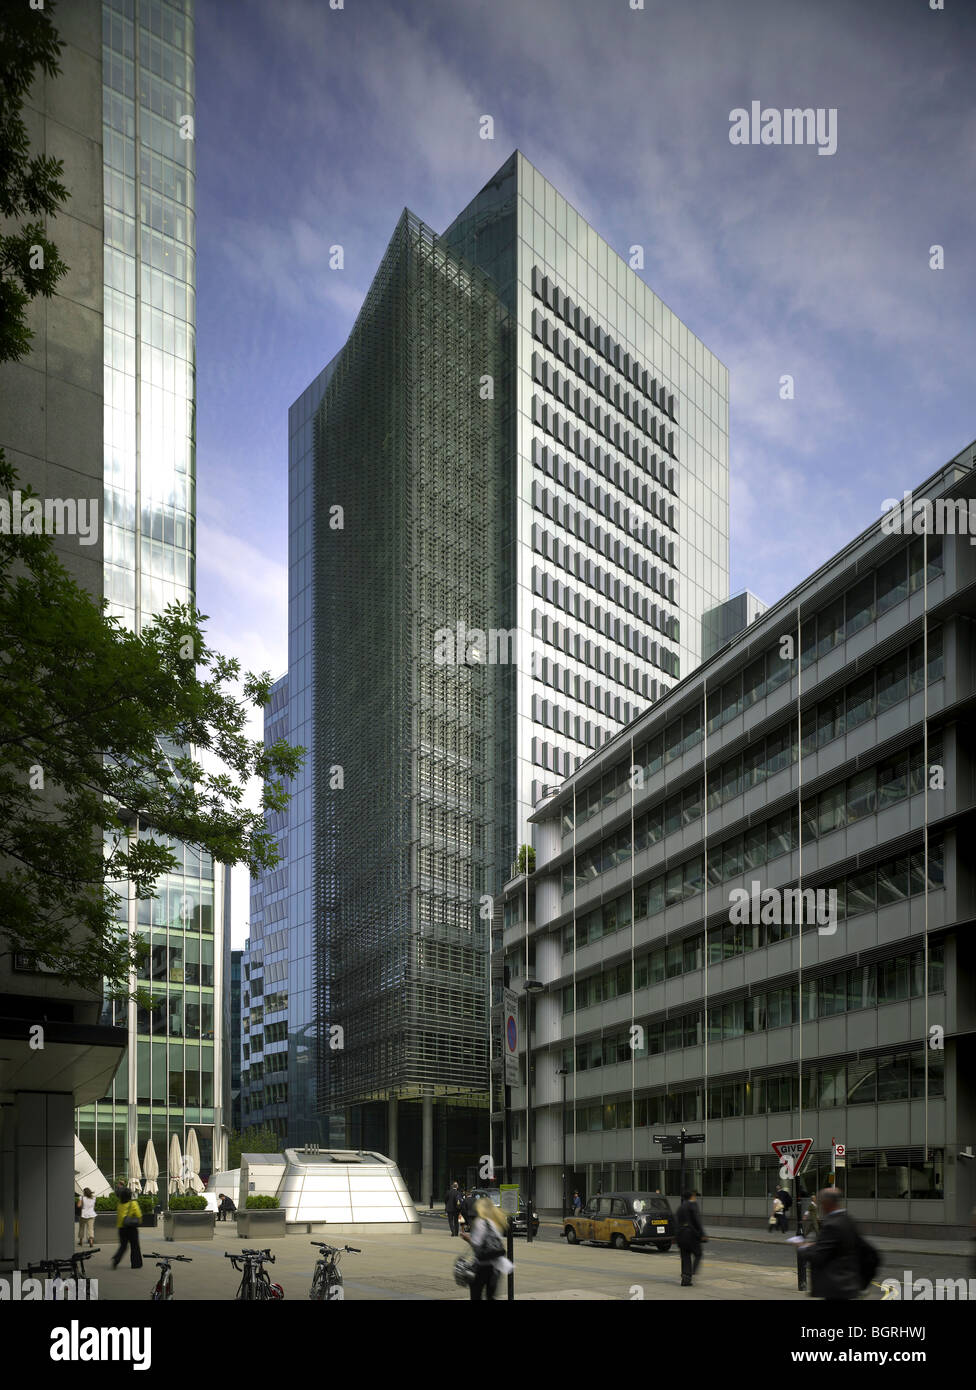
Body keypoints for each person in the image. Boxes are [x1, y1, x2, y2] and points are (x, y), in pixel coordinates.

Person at [799, 1187, 869, 1301]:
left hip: (835, 1287)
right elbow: (869, 1253)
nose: (821, 1206)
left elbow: (818, 1255)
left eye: (822, 1203)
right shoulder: (849, 1220)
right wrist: (863, 1283)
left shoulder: (831, 1225)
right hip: (849, 1285)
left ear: (827, 1204)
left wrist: (803, 1248)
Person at [461, 1197, 512, 1300]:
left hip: (481, 1266)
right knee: (490, 1296)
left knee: (476, 1294)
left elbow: (477, 1246)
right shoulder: (496, 1223)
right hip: (495, 1268)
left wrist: (467, 1238)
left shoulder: (480, 1222)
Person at [675, 1189, 707, 1287]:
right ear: (692, 1196)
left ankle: (686, 1278)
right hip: (691, 1235)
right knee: (698, 1253)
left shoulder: (680, 1207)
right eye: (695, 1196)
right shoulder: (693, 1205)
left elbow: (675, 1222)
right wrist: (702, 1234)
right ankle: (692, 1271)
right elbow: (697, 1220)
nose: (695, 1198)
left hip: (680, 1235)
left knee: (685, 1257)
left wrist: (676, 1236)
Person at [111, 1186, 143, 1270]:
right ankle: (136, 1264)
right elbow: (139, 1215)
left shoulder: (119, 1205)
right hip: (131, 1228)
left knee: (123, 1246)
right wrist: (138, 1221)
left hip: (121, 1228)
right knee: (135, 1246)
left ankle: (116, 1259)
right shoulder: (133, 1203)